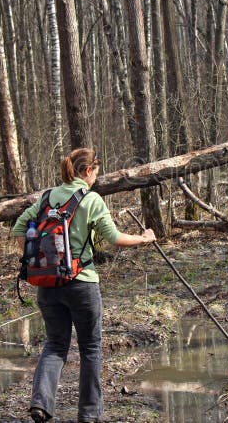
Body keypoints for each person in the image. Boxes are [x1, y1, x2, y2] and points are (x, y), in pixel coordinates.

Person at [12, 147, 155, 423]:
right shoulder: (91, 200)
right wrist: (145, 238)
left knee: (55, 344)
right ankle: (89, 414)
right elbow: (114, 238)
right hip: (82, 284)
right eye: (95, 174)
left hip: (48, 284)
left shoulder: (47, 198)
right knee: (90, 347)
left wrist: (39, 259)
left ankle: (40, 404)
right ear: (87, 171)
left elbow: (19, 228)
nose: (95, 180)